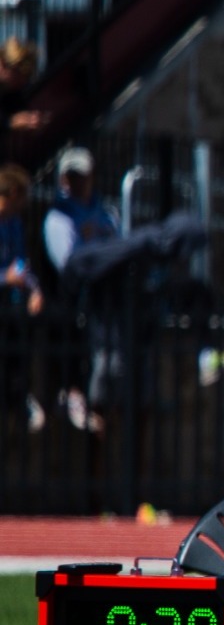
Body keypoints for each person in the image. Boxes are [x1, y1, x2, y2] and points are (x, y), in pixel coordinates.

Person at [42, 146, 117, 433]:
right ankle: (72, 394)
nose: (77, 181)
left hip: (105, 298)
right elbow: (68, 264)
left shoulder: (106, 214)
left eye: (82, 175)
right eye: (72, 176)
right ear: (64, 179)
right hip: (75, 299)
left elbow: (118, 247)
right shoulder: (58, 218)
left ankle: (102, 400)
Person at [0, 163, 46, 432]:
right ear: (14, 193)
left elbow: (21, 265)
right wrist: (5, 278)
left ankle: (18, 396)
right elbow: (9, 273)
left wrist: (35, 289)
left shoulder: (14, 224)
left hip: (12, 305)